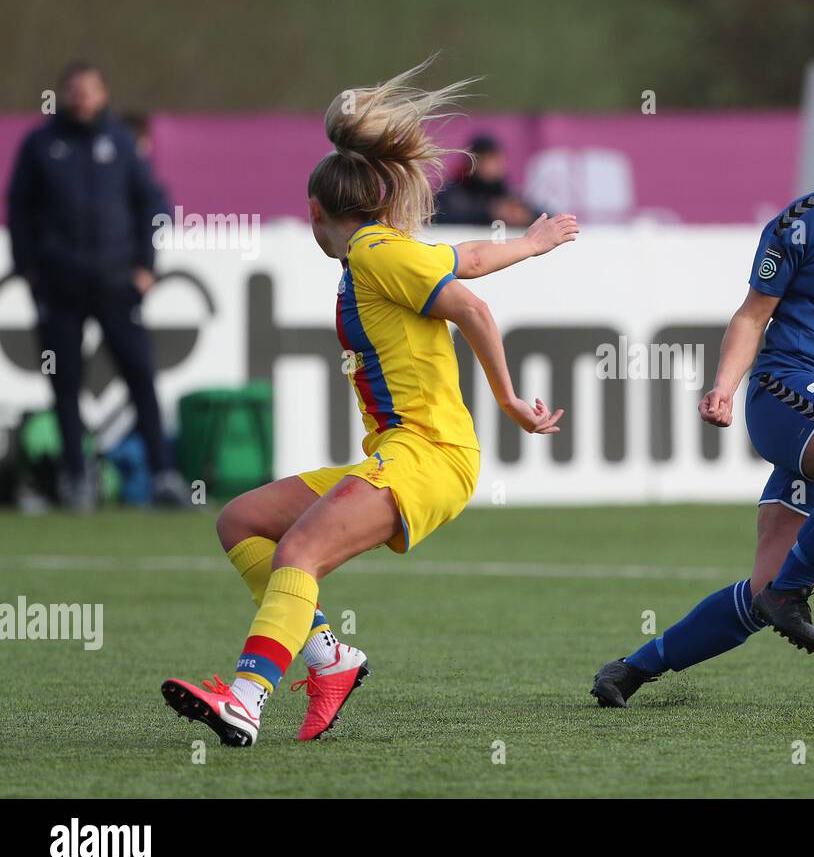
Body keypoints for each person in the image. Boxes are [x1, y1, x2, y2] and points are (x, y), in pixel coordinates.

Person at [159, 59, 580, 746]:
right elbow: (462, 262)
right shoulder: (386, 250)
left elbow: (470, 305)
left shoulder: (375, 252)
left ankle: (245, 697)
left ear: (316, 212)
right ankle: (330, 658)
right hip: (399, 453)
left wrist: (506, 398)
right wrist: (530, 244)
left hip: (429, 455)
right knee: (242, 522)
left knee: (299, 551)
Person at [591, 83, 814, 706]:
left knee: (763, 593)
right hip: (787, 393)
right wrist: (724, 389)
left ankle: (631, 670)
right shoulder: (802, 223)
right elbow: (753, 316)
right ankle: (795, 588)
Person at [6, 61, 187, 510]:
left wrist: (145, 266)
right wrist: (29, 268)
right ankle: (74, 478)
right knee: (64, 385)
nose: (81, 98)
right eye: (73, 90)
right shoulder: (41, 144)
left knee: (141, 378)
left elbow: (152, 204)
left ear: (103, 94)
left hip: (115, 286)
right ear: (62, 94)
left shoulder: (121, 144)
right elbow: (18, 207)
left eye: (88, 90)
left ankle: (163, 476)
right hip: (59, 289)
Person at [434, 133, 538, 226]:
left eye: (497, 160)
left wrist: (526, 217)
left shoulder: (507, 195)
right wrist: (490, 213)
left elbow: (542, 215)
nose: (494, 166)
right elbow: (436, 219)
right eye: (487, 159)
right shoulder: (451, 194)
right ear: (472, 163)